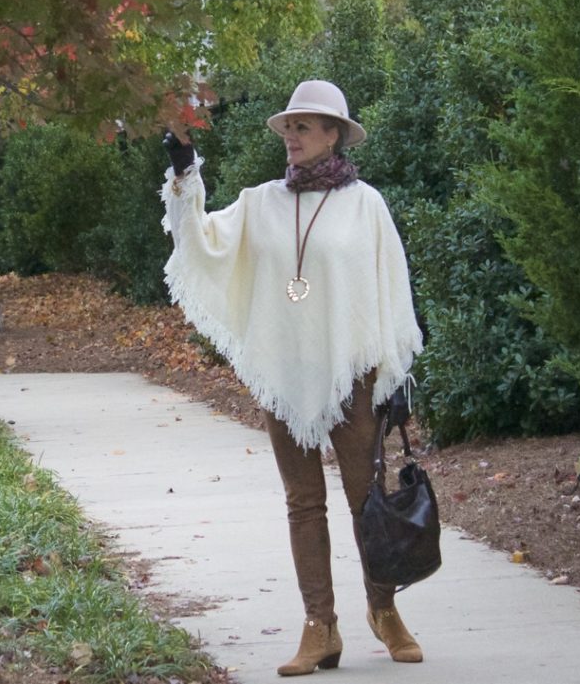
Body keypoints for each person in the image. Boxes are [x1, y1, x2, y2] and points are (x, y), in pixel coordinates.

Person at [161, 80, 424, 674]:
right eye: (288, 128)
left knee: (366, 498)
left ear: (334, 135)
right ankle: (319, 626)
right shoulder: (260, 204)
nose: (291, 137)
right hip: (285, 374)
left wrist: (391, 371)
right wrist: (185, 171)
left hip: (351, 375)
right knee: (302, 501)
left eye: (303, 127)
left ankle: (384, 611)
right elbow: (201, 240)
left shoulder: (366, 205)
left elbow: (390, 289)